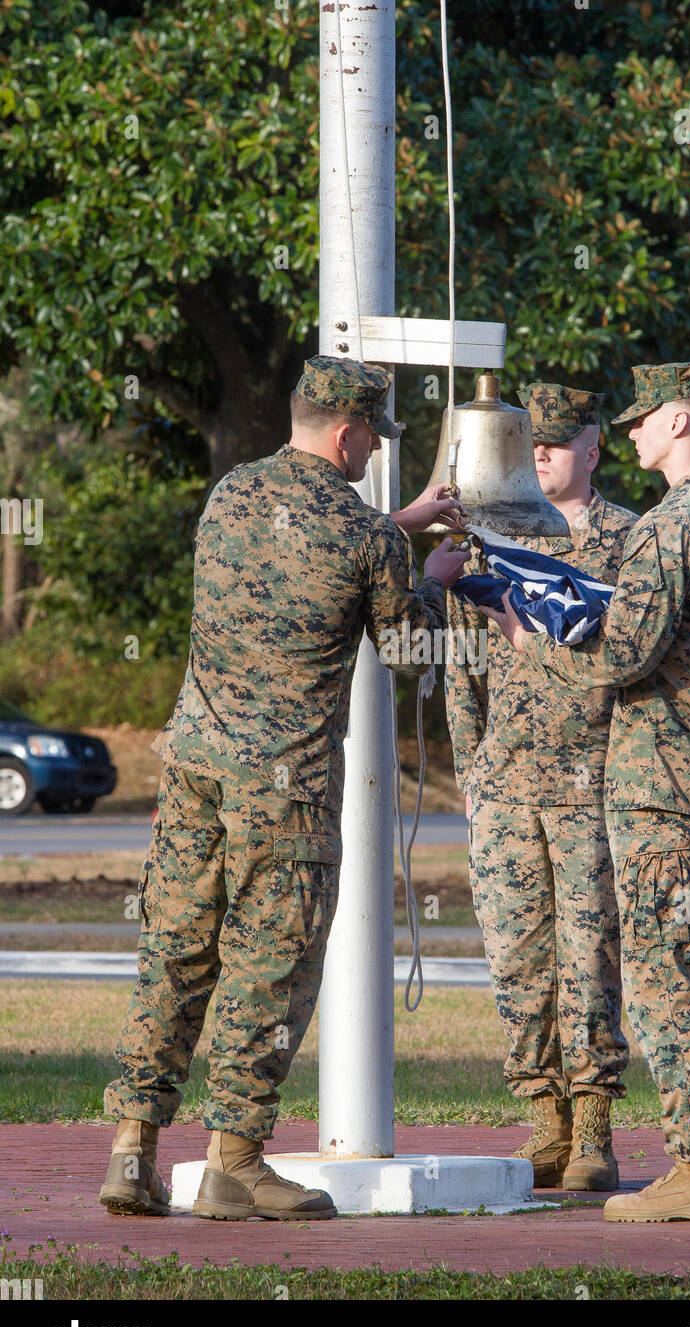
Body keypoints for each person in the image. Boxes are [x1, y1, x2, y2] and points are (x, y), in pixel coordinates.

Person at [100, 355, 467, 1222]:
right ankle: (235, 1161)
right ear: (346, 431)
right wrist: (435, 582)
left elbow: (301, 549)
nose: (375, 446)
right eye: (373, 433)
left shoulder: (230, 493)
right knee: (267, 970)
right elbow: (409, 648)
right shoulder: (366, 536)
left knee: (175, 955)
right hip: (287, 789)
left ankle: (131, 1154)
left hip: (193, 765)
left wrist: (398, 523)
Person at [482, 362, 690, 1222]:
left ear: (681, 423)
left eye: (646, 418)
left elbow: (621, 656)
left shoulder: (668, 525)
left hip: (661, 781)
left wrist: (524, 631)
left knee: (663, 975)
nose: (634, 431)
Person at [445, 383, 638, 1190]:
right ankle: (544, 1117)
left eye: (558, 444)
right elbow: (462, 673)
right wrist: (473, 774)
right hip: (506, 784)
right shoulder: (490, 538)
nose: (542, 456)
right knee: (516, 955)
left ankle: (593, 1123)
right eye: (532, 444)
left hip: (590, 782)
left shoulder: (632, 541)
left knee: (590, 954)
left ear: (593, 449)